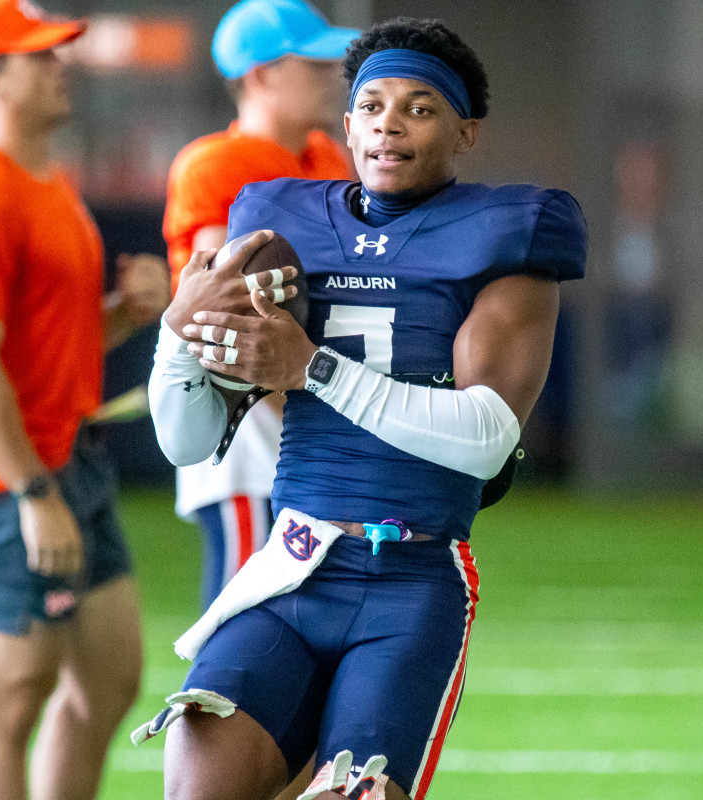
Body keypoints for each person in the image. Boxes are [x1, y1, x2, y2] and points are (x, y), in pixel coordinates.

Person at [140, 18, 587, 800]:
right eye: (372, 104)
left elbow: (487, 439)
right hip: (292, 567)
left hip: (411, 579)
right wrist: (178, 338)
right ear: (346, 124)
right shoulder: (278, 222)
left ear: (465, 130)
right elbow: (186, 440)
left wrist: (312, 368)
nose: (389, 121)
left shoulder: (507, 235)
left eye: (419, 107)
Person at [0, 2, 170, 798]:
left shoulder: (46, 185)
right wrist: (32, 492)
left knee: (109, 681)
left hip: (72, 461)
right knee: (12, 694)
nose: (60, 67)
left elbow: (47, 348)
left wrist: (125, 316)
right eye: (40, 58)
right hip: (9, 482)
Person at [163, 0, 357, 611]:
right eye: (315, 63)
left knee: (301, 615)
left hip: (311, 403)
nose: (334, 75)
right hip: (244, 415)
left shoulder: (328, 157)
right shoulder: (217, 164)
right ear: (261, 74)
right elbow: (227, 312)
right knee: (240, 618)